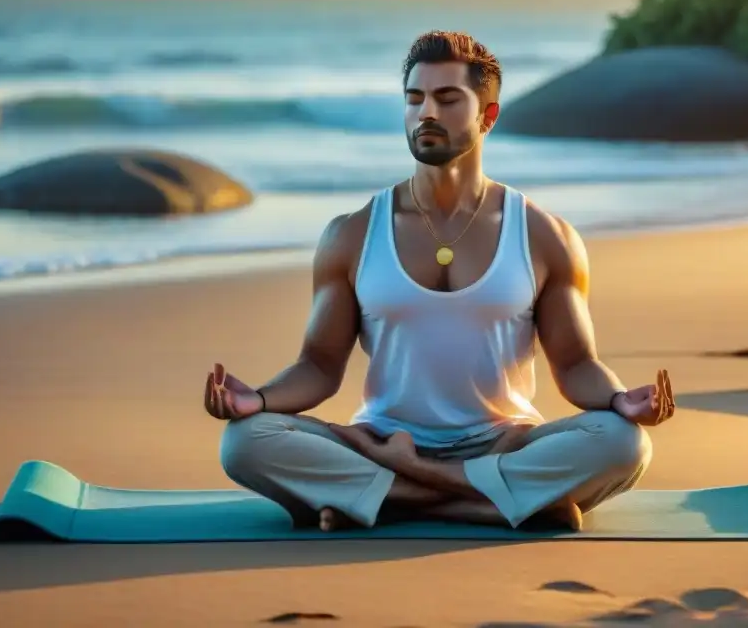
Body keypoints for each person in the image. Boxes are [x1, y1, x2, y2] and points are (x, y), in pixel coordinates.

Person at [205, 30, 676, 532]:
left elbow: (577, 364)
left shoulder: (544, 235)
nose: (426, 112)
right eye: (415, 98)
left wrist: (619, 400)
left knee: (624, 442)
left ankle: (393, 493)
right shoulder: (352, 233)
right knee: (244, 442)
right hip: (383, 439)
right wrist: (257, 401)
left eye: (447, 99)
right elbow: (319, 367)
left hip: (503, 441)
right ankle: (491, 502)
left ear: (487, 116)